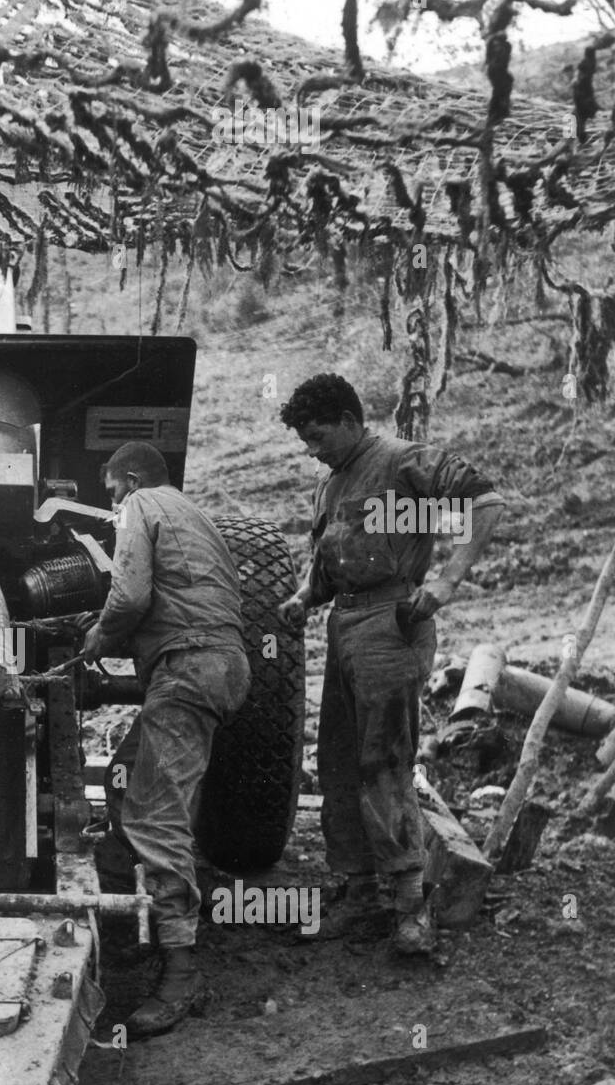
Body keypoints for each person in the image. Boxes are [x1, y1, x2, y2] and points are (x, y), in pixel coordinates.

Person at [277, 373, 505, 954]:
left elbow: (485, 500)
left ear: (351, 422)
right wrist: (305, 596)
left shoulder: (404, 462)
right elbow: (325, 565)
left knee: (385, 761)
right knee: (336, 764)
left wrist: (449, 582)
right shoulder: (328, 487)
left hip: (392, 623)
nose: (312, 448)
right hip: (344, 628)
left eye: (319, 435)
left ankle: (411, 905)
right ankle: (359, 894)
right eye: (305, 439)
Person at [83, 442, 251, 1038]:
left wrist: (101, 636)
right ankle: (123, 933)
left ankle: (181, 971)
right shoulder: (195, 514)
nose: (112, 503)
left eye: (110, 491)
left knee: (156, 814)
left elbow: (129, 596)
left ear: (129, 479)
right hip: (220, 663)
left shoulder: (140, 504)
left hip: (188, 667)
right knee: (123, 781)